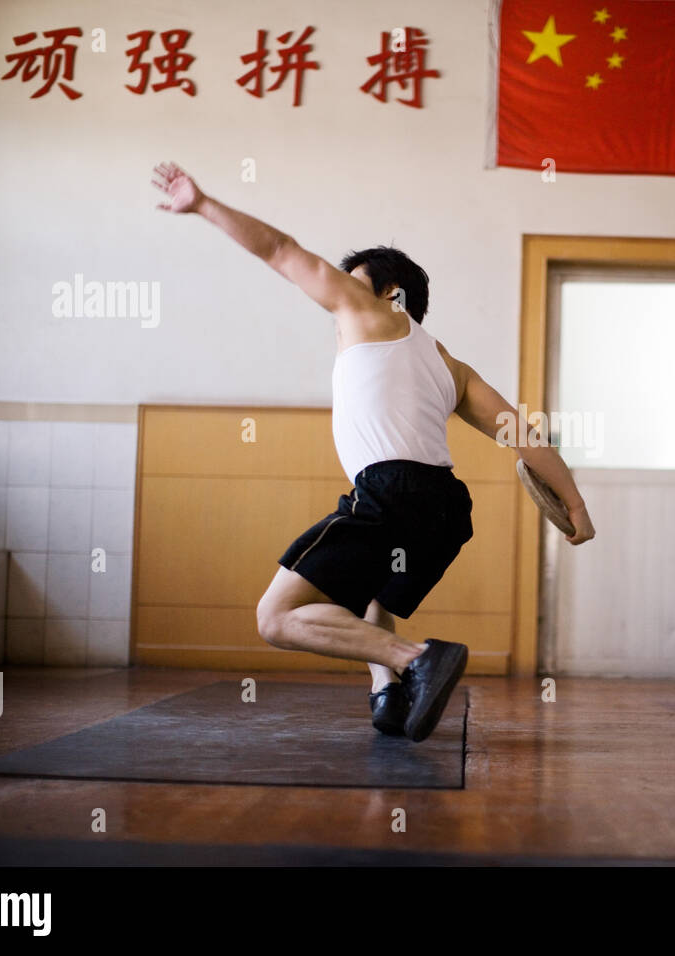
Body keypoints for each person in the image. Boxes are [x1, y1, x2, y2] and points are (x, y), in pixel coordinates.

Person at [151, 161, 595, 742]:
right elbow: (526, 436)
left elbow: (282, 250)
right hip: (445, 512)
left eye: (352, 280)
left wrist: (203, 203)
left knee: (276, 617)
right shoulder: (451, 367)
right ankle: (387, 692)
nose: (338, 291)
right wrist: (577, 509)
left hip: (392, 491)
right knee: (372, 597)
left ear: (391, 292)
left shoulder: (367, 311)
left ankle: (417, 661)